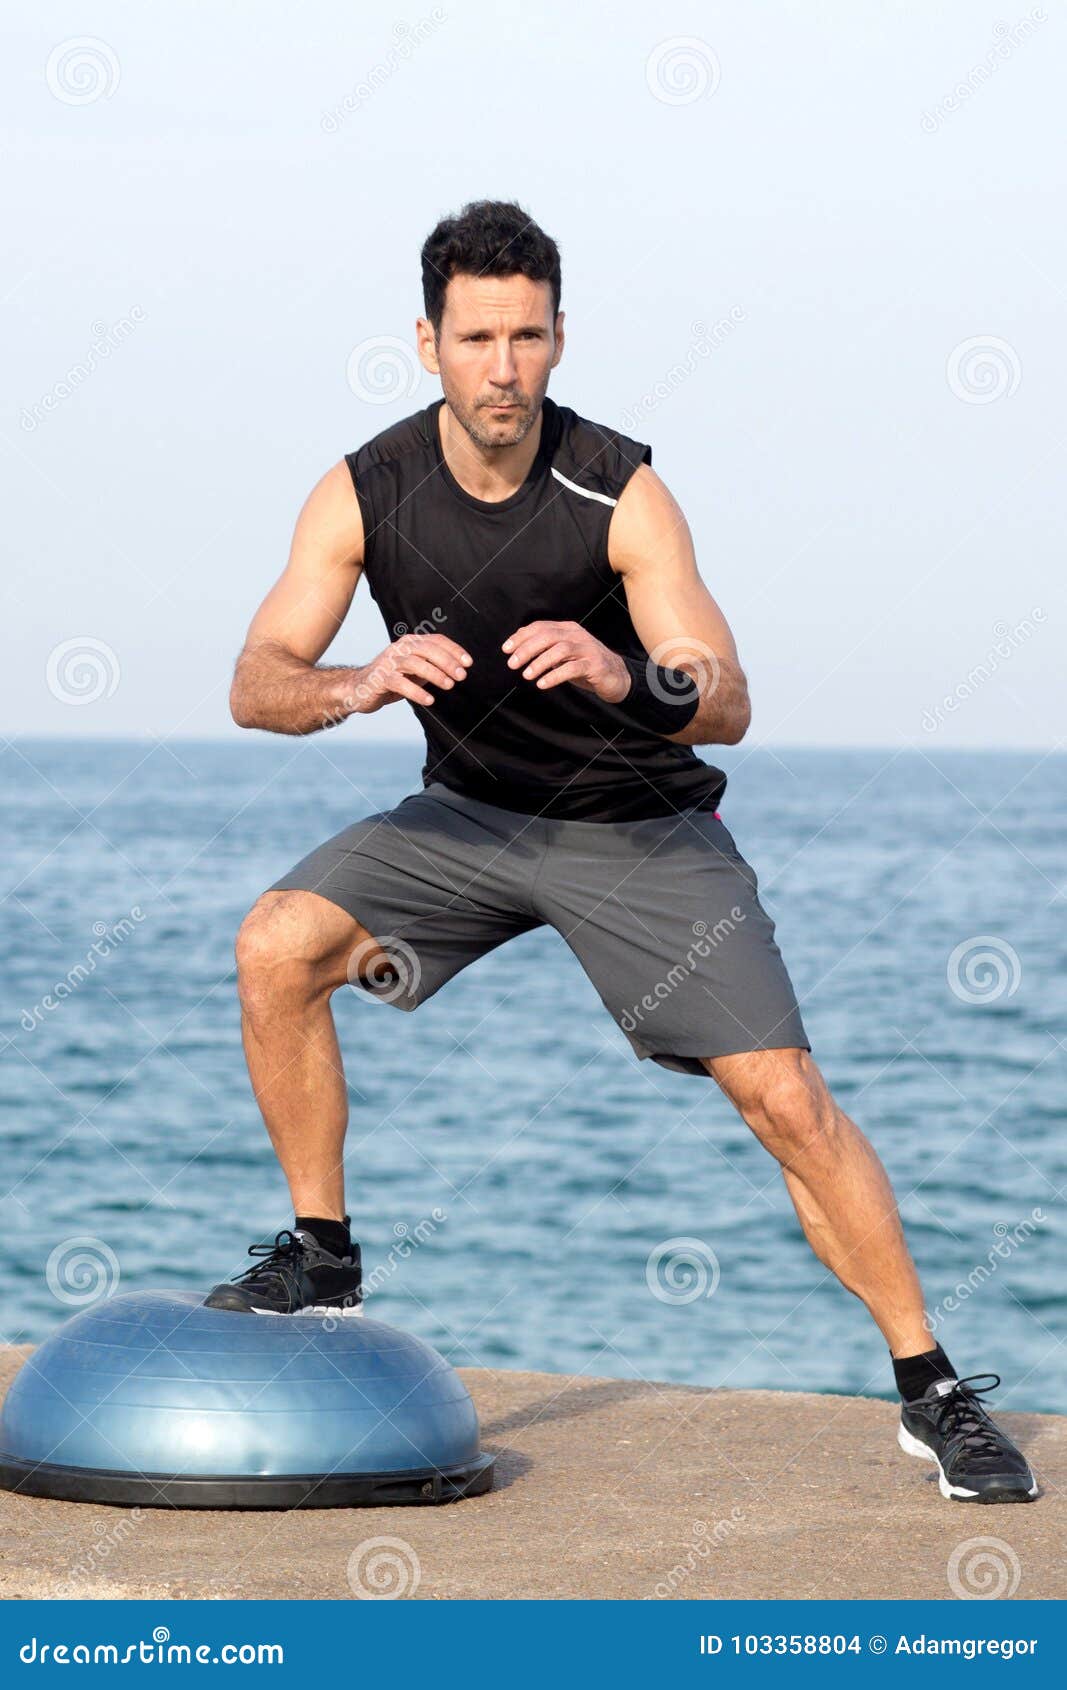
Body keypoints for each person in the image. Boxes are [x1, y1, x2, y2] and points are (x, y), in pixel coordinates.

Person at [208, 200, 1036, 1506]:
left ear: (559, 337)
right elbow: (257, 679)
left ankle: (933, 1390)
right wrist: (354, 682)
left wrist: (623, 672)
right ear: (426, 342)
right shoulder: (366, 490)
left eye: (528, 337)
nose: (503, 368)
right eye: (477, 338)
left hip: (641, 829)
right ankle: (323, 1252)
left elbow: (726, 696)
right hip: (468, 819)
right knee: (276, 944)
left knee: (785, 1101)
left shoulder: (618, 490)